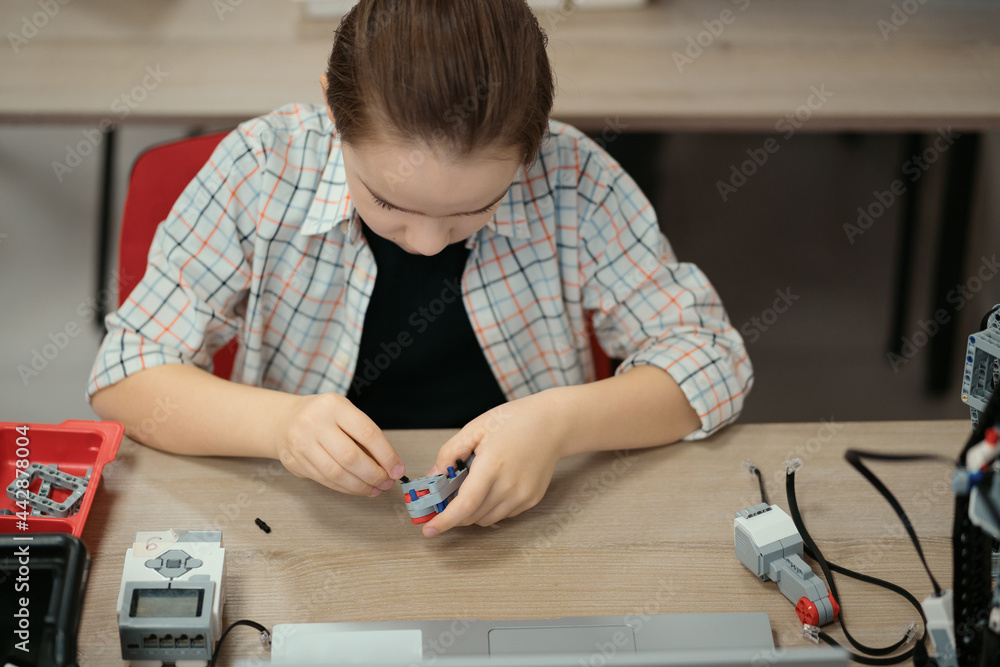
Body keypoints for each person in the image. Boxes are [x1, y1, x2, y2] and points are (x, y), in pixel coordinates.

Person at [88, 0, 753, 537]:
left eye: (474, 209)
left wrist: (558, 424)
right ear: (332, 111)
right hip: (308, 525)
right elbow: (126, 375)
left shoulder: (573, 179)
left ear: (532, 146)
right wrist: (280, 426)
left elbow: (711, 359)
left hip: (532, 526)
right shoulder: (261, 168)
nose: (429, 243)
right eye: (390, 202)